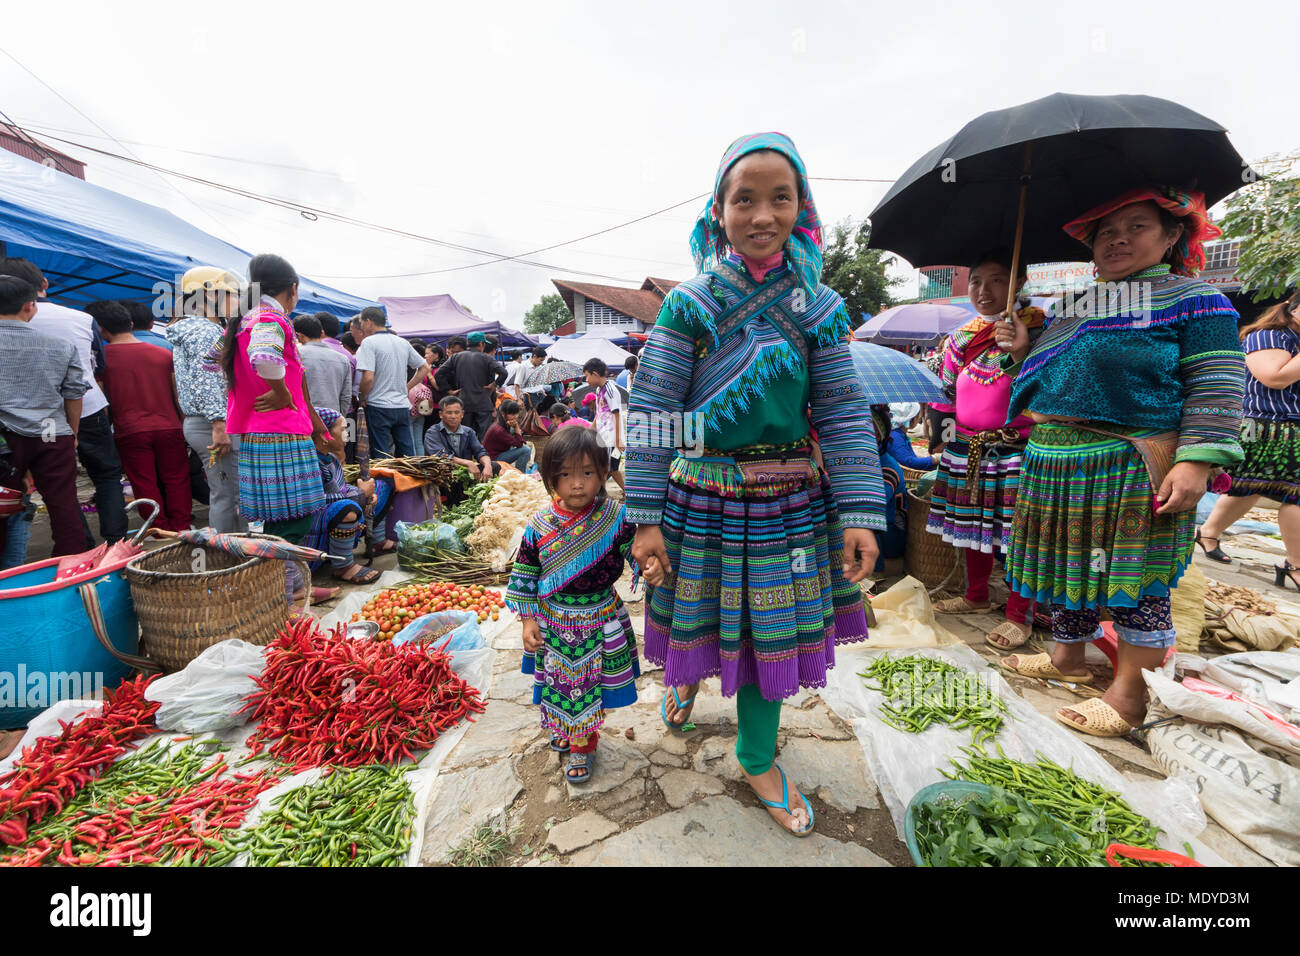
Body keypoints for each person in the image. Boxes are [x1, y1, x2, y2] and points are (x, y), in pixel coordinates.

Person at [626, 132, 884, 835]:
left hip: (790, 503)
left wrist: (861, 508)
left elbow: (838, 408)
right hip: (698, 497)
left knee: (768, 629)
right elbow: (653, 411)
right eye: (745, 198)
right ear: (718, 209)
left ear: (801, 208)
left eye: (780, 197)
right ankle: (682, 681)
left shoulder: (820, 307)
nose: (762, 214)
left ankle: (755, 753)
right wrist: (643, 516)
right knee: (698, 616)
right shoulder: (690, 303)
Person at [995, 185, 1245, 737]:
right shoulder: (1076, 304)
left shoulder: (1196, 300)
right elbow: (1050, 380)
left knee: (1133, 576)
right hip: (1056, 461)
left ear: (1172, 235)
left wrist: (1197, 460)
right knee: (1068, 566)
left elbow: (1217, 381)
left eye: (1135, 226)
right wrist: (1020, 350)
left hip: (1126, 465)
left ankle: (1129, 695)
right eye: (1106, 230)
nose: (1117, 239)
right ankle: (1068, 658)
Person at [505, 425, 639, 784]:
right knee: (558, 681)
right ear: (551, 477)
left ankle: (584, 742)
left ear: (603, 474)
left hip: (600, 618)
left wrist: (650, 565)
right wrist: (526, 621)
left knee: (589, 685)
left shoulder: (616, 518)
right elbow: (525, 575)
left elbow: (635, 553)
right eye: (565, 475)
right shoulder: (539, 526)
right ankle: (566, 727)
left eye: (588, 473)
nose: (577, 484)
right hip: (554, 622)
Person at [927, 250, 1047, 649]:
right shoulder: (962, 337)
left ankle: (1019, 614)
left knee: (1018, 536)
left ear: (1020, 284)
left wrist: (1020, 350)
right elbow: (944, 395)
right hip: (967, 448)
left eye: (997, 280)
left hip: (1016, 451)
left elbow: (1048, 389)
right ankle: (976, 594)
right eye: (976, 280)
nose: (983, 290)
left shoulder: (1044, 330)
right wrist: (941, 443)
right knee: (973, 527)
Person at [210, 254, 329, 591]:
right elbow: (264, 355)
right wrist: (278, 391)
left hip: (258, 431)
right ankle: (286, 593)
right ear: (293, 289)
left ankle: (293, 585)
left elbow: (212, 358)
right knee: (296, 518)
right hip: (279, 433)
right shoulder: (270, 317)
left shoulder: (243, 319)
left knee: (279, 518)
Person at [2, 256, 128, 545]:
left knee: (15, 498)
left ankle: (16, 571)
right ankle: (107, 544)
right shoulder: (79, 323)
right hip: (70, 421)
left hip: (15, 431)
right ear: (35, 296)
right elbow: (90, 376)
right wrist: (71, 431)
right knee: (88, 484)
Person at [1196, 290, 1300, 587]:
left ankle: (1208, 533)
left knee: (1250, 489)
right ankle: (1295, 565)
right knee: (1283, 494)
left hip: (1290, 428)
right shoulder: (1268, 336)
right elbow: (1273, 376)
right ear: (1293, 308)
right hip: (1265, 425)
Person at [0, 275, 90, 557]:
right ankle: (72, 568)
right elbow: (74, 393)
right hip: (52, 434)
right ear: (30, 306)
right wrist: (72, 433)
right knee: (63, 505)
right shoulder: (61, 345)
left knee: (2, 506)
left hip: (4, 440)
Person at [87, 301, 192, 532]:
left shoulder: (102, 360)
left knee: (144, 483)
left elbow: (102, 402)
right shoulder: (164, 354)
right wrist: (183, 425)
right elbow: (178, 396)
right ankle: (181, 528)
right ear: (131, 324)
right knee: (177, 479)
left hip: (129, 430)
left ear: (100, 329)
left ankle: (158, 529)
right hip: (169, 427)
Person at [168, 266, 246, 533]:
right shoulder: (205, 333)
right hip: (213, 425)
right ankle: (232, 558)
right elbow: (207, 382)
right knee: (230, 495)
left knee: (226, 494)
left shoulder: (194, 329)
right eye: (233, 294)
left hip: (204, 422)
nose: (237, 301)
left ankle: (232, 555)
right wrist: (219, 425)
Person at [301, 405, 393, 586]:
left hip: (332, 510)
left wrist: (365, 494)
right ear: (324, 436)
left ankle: (378, 541)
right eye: (343, 430)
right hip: (312, 517)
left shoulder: (332, 460)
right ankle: (343, 566)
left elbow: (341, 490)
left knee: (382, 486)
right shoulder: (310, 463)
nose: (347, 435)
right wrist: (359, 493)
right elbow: (318, 499)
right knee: (347, 509)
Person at [355, 306, 430, 458]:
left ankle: (386, 482)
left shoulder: (369, 343)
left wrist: (362, 397)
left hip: (378, 406)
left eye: (361, 322)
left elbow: (368, 377)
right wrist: (406, 387)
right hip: (402, 406)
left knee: (382, 455)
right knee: (407, 455)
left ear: (369, 322)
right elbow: (424, 367)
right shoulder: (402, 342)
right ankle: (411, 481)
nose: (361, 326)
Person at [435, 331, 507, 439]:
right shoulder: (487, 358)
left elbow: (438, 374)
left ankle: (465, 456)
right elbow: (503, 373)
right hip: (483, 404)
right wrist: (494, 384)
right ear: (482, 344)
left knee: (465, 436)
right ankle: (482, 456)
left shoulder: (456, 357)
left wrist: (449, 391)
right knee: (484, 437)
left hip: (464, 402)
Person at [423, 395, 493, 482]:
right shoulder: (432, 432)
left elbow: (480, 451)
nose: (453, 416)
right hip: (443, 474)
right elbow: (441, 457)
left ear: (462, 414)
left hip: (465, 471)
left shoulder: (469, 432)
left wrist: (488, 466)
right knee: (451, 473)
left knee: (494, 466)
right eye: (449, 413)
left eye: (457, 412)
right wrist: (468, 463)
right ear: (441, 414)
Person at [295, 314, 353, 416]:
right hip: (332, 417)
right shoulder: (343, 359)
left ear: (299, 335)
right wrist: (339, 418)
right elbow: (346, 396)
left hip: (303, 417)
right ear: (321, 332)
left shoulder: (296, 355)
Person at [583, 358, 625, 493]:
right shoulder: (598, 390)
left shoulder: (610, 390)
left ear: (595, 374)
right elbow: (599, 413)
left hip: (612, 438)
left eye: (587, 376)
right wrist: (591, 429)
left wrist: (618, 440)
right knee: (608, 467)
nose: (586, 379)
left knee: (609, 468)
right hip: (603, 436)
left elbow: (617, 415)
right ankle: (601, 492)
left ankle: (600, 493)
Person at [483, 399, 533, 472]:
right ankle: (520, 475)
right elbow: (519, 444)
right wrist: (516, 427)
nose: (515, 417)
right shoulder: (499, 429)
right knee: (526, 450)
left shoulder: (503, 423)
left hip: (498, 454)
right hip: (493, 460)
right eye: (512, 414)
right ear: (503, 413)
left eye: (516, 414)